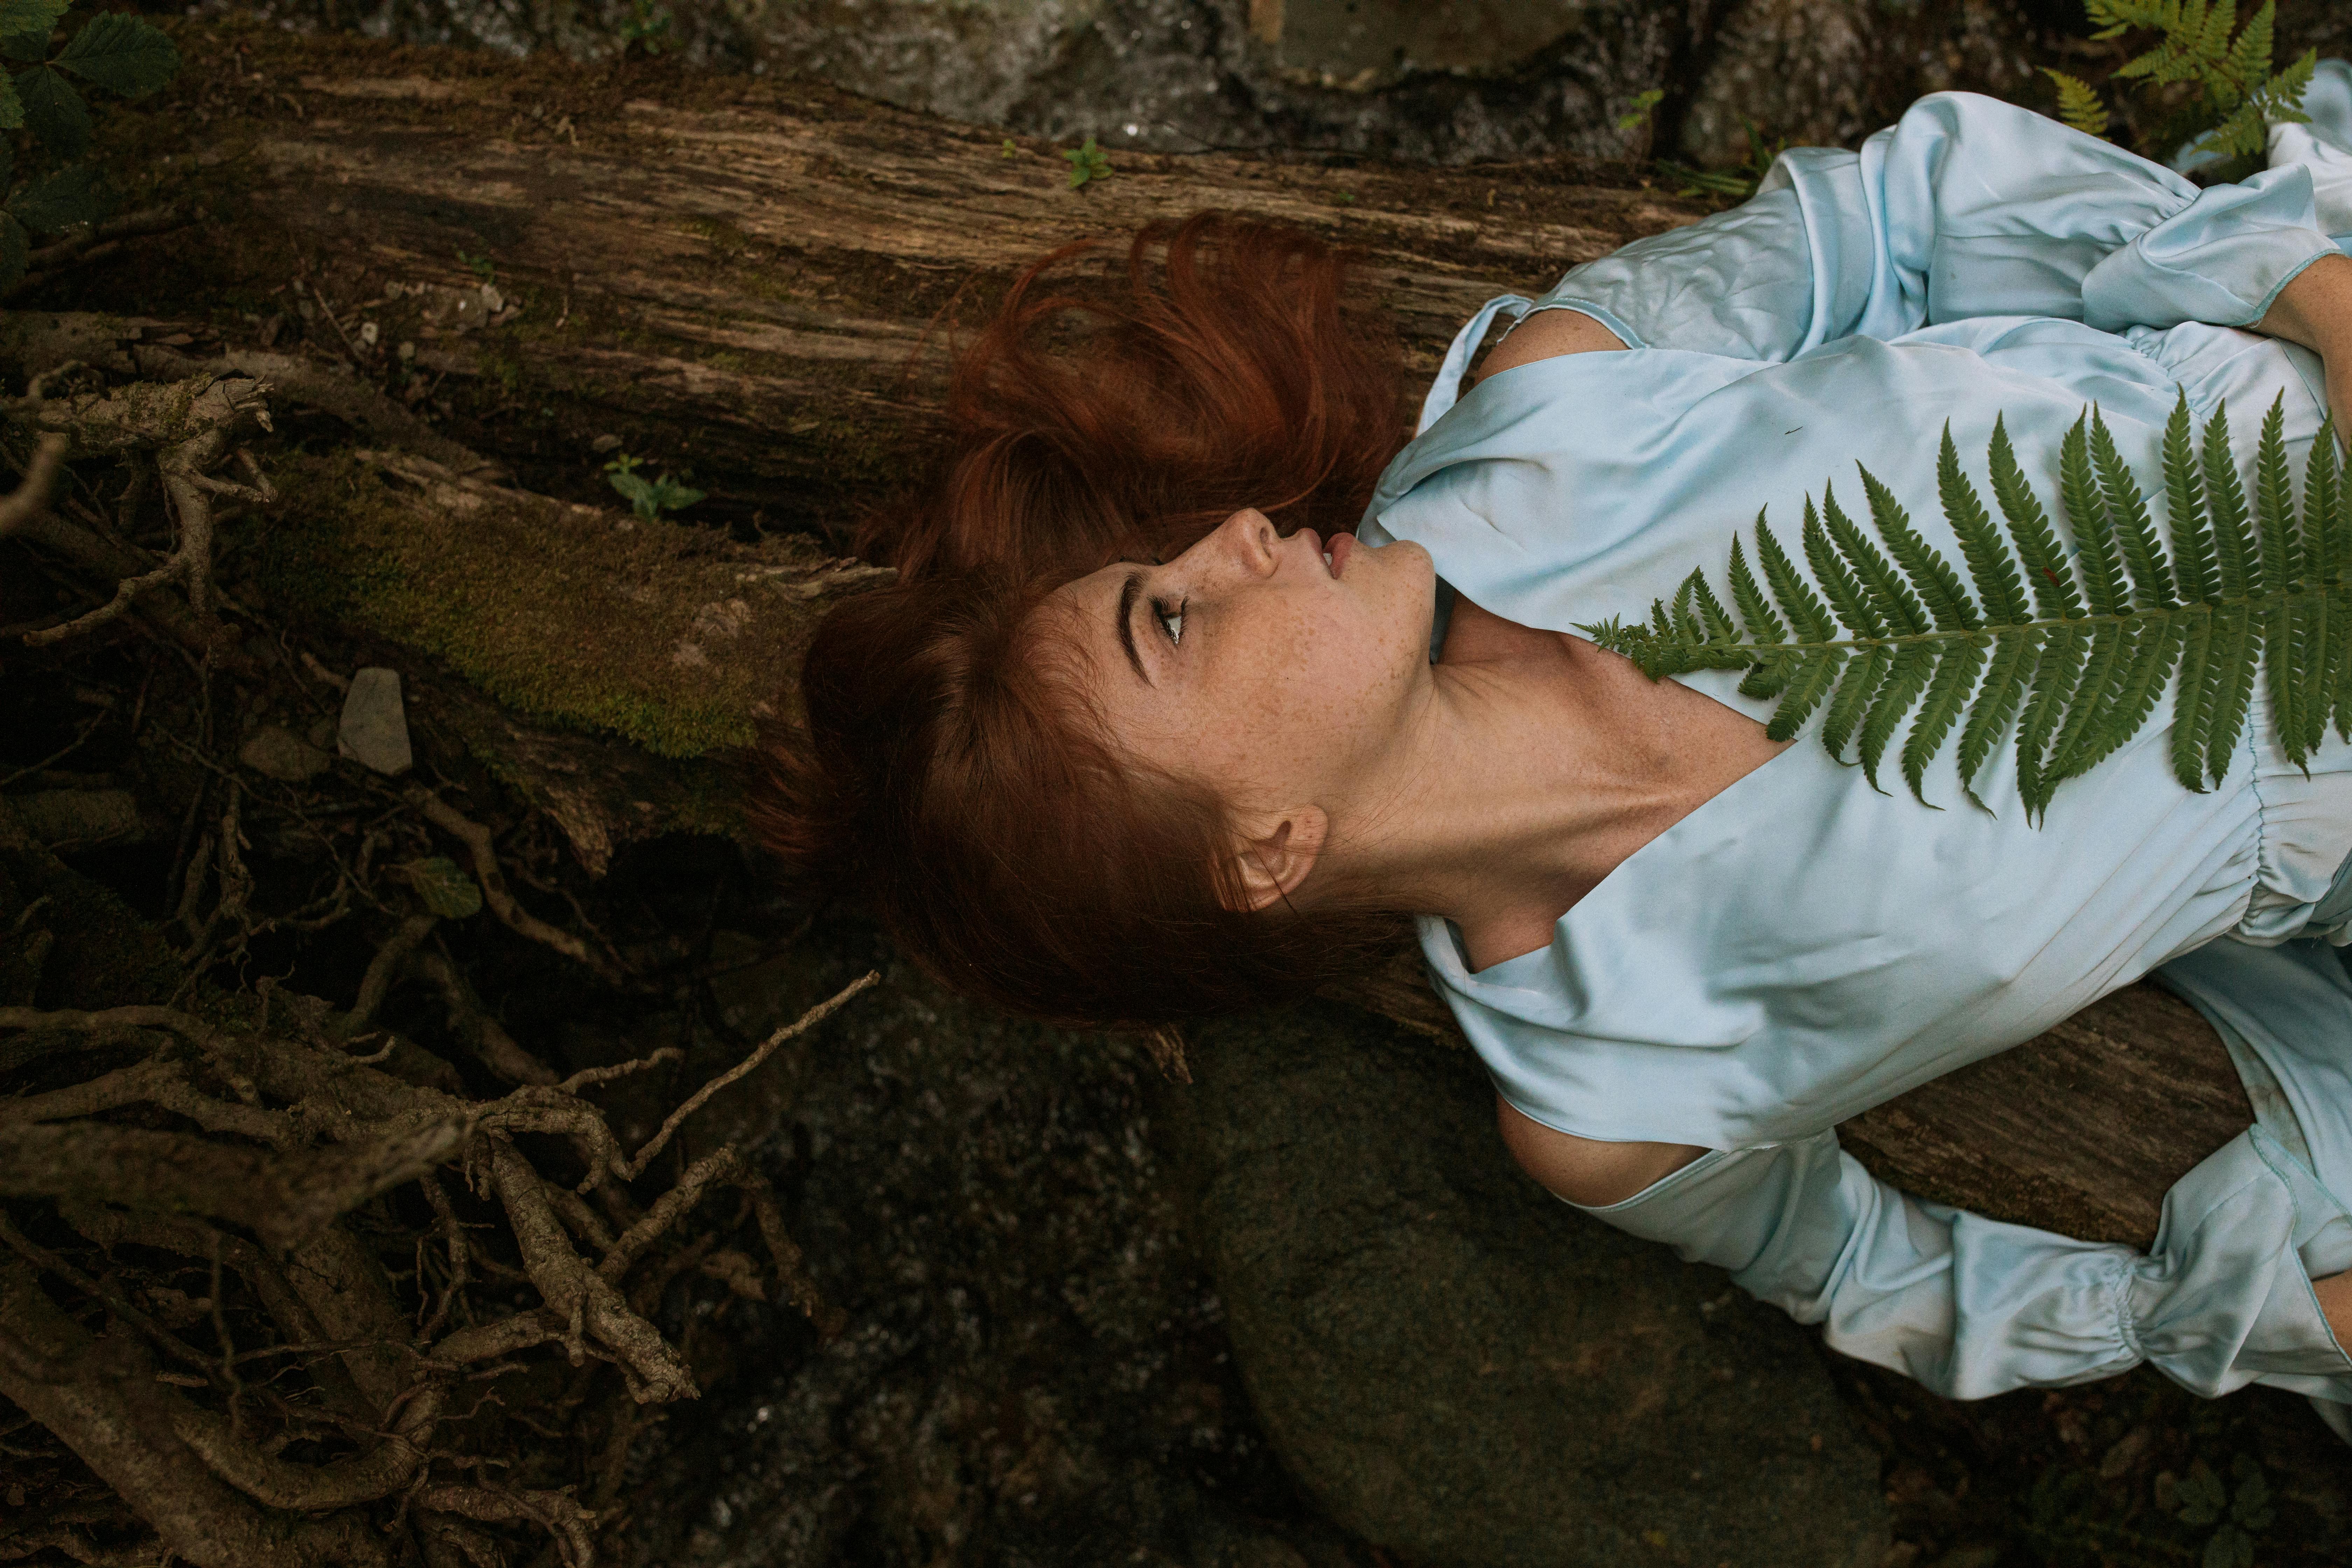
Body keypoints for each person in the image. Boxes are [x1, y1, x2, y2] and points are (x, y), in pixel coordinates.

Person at [754, 68, 2352, 1429]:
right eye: (1173, 622)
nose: (1234, 535)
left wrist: (2325, 305)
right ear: (1268, 849)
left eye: (1158, 576)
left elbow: (1907, 212)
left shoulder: (1554, 410)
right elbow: (1888, 1276)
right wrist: (2277, 1307)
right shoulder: (1615, 1092)